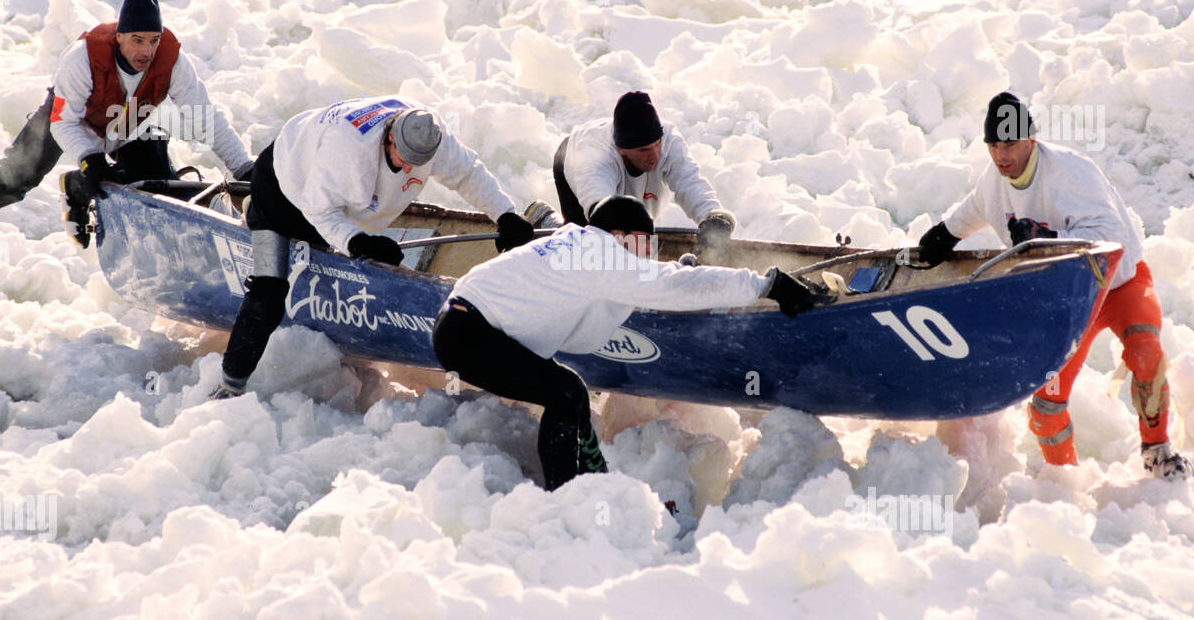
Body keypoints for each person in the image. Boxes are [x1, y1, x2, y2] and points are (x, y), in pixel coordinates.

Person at [432, 195, 818, 490]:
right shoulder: (600, 254)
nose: (646, 253)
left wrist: (654, 282)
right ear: (618, 236)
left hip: (462, 322)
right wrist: (766, 285)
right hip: (470, 332)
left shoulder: (579, 242)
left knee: (572, 392)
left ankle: (585, 482)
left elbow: (588, 329)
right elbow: (673, 286)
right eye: (642, 243)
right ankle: (562, 496)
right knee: (564, 392)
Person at [917, 92, 1193, 480]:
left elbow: (1111, 235)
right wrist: (941, 237)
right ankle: (1064, 483)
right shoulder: (993, 183)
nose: (1001, 155)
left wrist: (1045, 235)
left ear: (1031, 139)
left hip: (1118, 285)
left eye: (1010, 143)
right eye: (993, 146)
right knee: (1045, 408)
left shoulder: (1070, 172)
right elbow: (969, 213)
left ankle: (1160, 454)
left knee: (1146, 356)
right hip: (1067, 303)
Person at [212, 96, 535, 398]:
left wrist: (505, 215)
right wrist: (358, 242)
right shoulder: (348, 149)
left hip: (335, 193)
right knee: (268, 292)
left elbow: (469, 174)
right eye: (405, 161)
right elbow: (319, 210)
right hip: (282, 187)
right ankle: (230, 385)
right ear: (390, 137)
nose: (409, 169)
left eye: (418, 165)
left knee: (336, 245)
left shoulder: (430, 134)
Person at [0, 0, 254, 246]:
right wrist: (90, 158)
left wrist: (243, 169)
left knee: (161, 193)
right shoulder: (82, 58)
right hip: (69, 120)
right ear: (119, 37)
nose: (147, 51)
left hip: (125, 124)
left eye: (153, 40)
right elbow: (63, 122)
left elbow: (206, 119)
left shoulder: (174, 63)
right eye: (137, 40)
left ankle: (79, 186)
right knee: (14, 180)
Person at [552, 91, 738, 253]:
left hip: (618, 175)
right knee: (584, 241)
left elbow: (689, 181)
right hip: (572, 161)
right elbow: (601, 209)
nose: (654, 156)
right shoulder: (595, 155)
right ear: (621, 149)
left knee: (634, 237)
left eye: (657, 144)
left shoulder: (669, 140)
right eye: (643, 150)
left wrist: (713, 215)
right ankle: (548, 222)